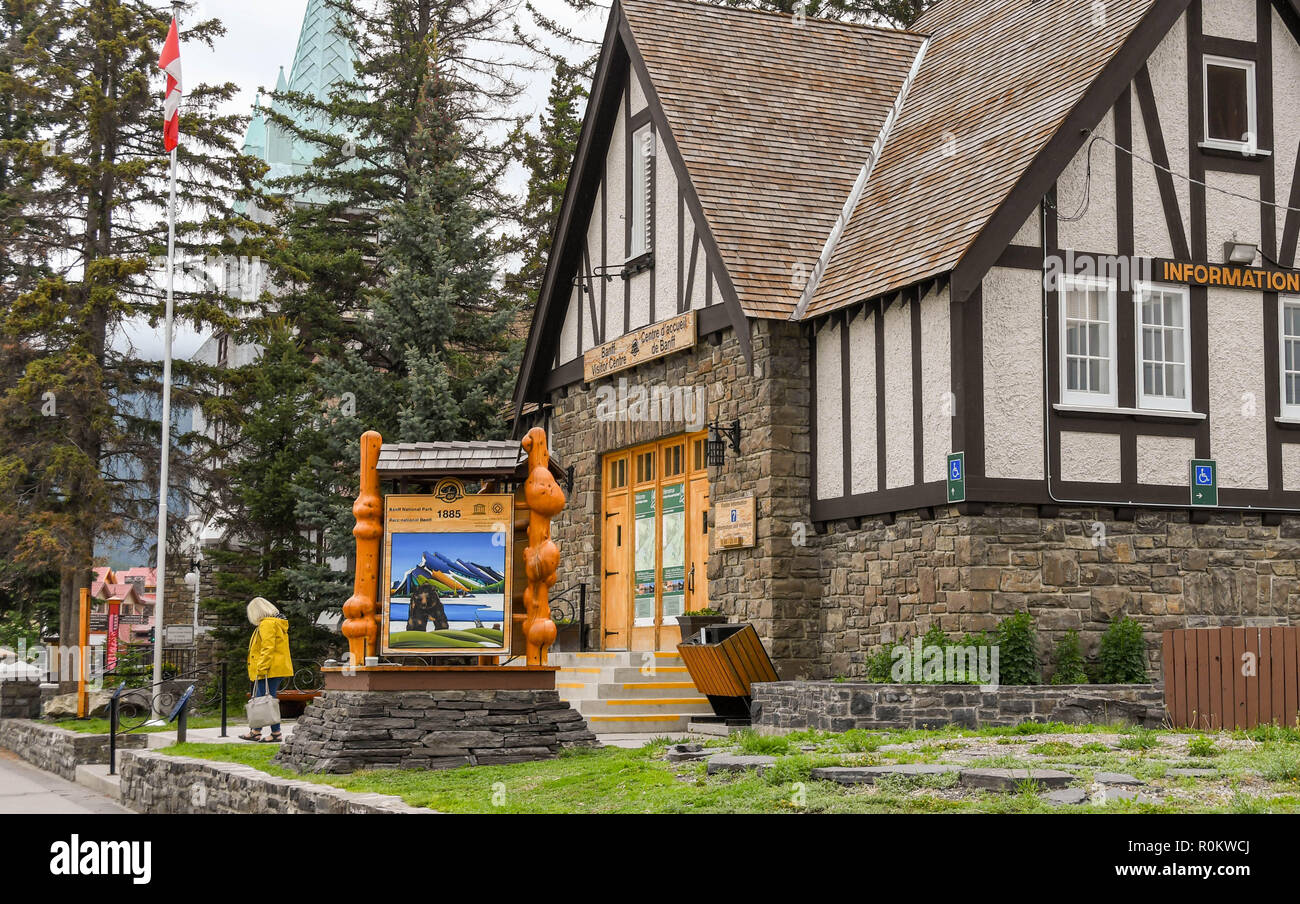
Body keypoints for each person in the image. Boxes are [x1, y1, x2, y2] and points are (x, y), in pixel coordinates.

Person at [241, 597, 293, 742]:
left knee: (265, 700)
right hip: (275, 668)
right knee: (265, 699)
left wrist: (261, 668)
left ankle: (272, 733)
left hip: (269, 669)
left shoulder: (267, 624)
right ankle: (258, 731)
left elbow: (268, 648)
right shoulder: (275, 623)